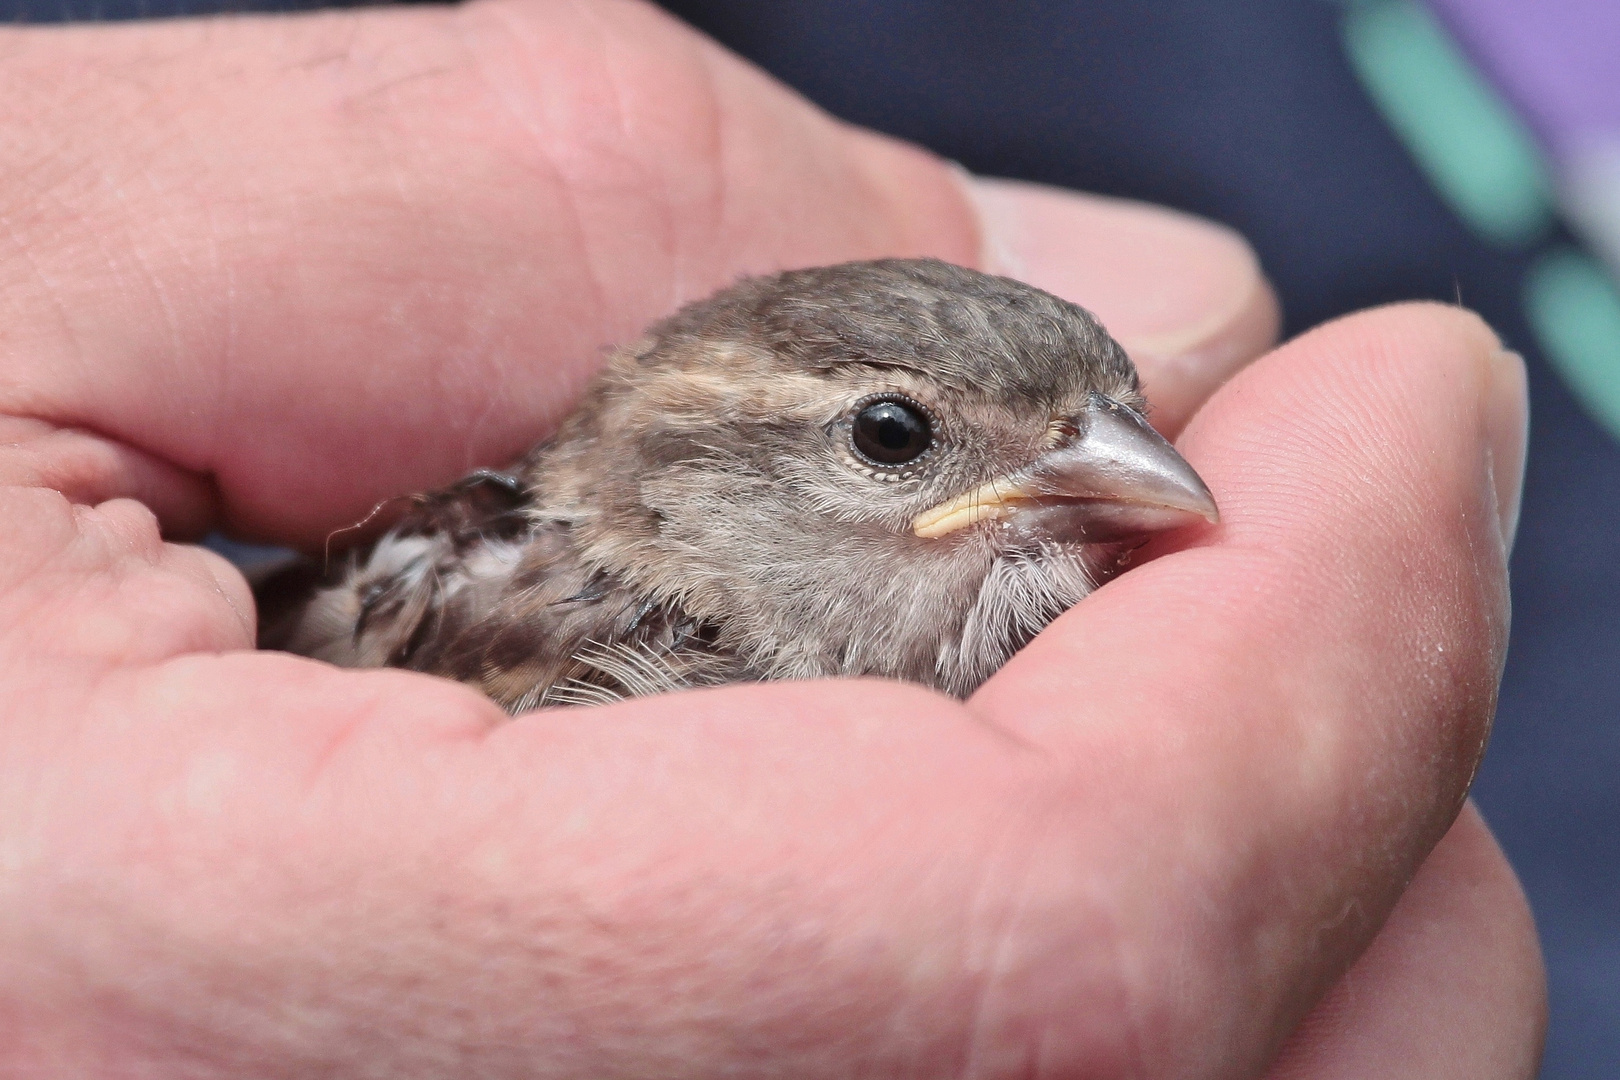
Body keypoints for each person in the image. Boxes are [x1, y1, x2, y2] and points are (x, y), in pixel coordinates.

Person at [0, 0, 1544, 1074]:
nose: (1118, 480)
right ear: (689, 483)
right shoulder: (555, 639)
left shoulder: (1132, 678)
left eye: (1110, 433)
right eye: (894, 439)